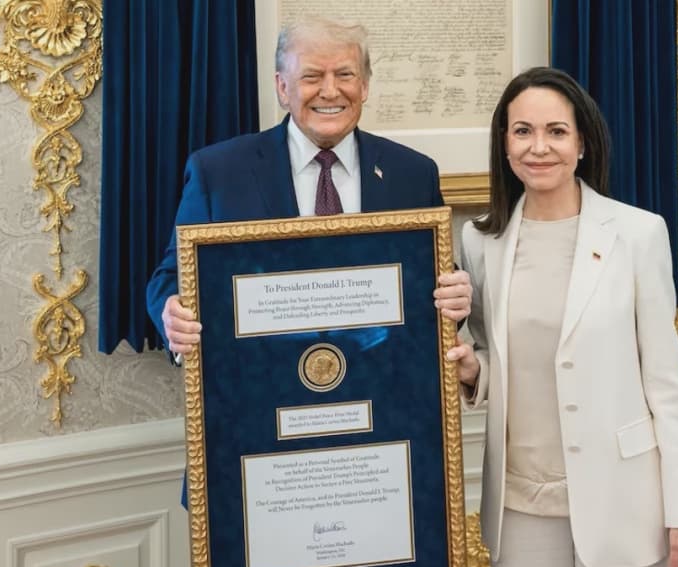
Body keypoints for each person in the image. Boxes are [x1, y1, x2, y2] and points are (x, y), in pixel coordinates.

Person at [445, 67, 678, 567]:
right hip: (518, 507)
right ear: (505, 143)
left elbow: (667, 387)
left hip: (622, 502)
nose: (539, 147)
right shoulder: (479, 241)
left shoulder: (638, 233)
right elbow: (495, 355)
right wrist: (473, 370)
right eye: (523, 131)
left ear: (582, 142)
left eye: (557, 132)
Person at [147, 17, 471, 353]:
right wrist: (172, 314)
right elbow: (172, 277)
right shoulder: (218, 173)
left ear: (364, 86)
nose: (330, 91)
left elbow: (434, 283)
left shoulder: (413, 174)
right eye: (312, 76)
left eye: (345, 75)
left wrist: (456, 298)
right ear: (282, 87)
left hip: (382, 374)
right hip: (261, 375)